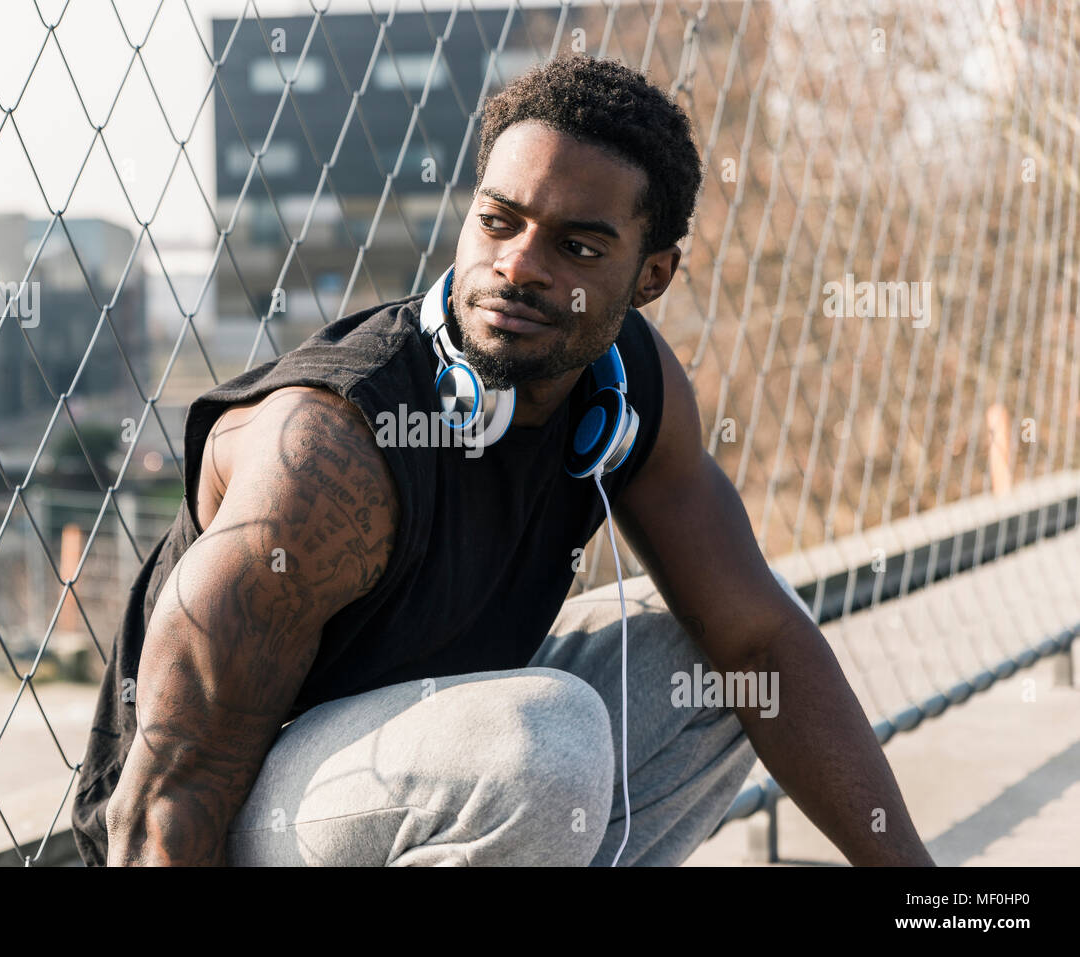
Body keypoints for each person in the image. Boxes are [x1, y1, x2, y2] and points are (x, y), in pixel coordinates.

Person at [72, 52, 934, 867]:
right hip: (230, 816)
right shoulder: (332, 454)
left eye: (579, 248)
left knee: (725, 662)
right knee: (543, 743)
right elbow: (163, 797)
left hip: (441, 765)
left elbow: (761, 645)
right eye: (498, 221)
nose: (518, 266)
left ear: (652, 275)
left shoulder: (631, 388)